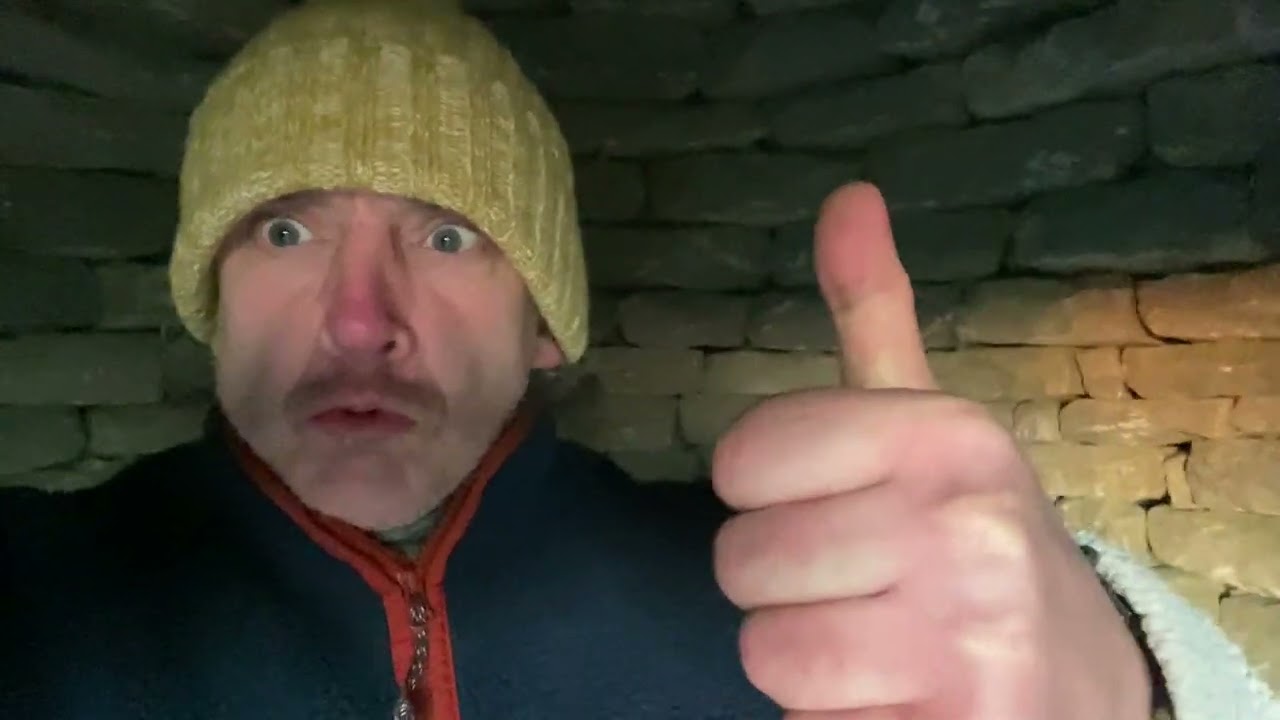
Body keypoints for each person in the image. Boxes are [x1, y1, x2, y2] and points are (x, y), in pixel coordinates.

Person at [1, 0, 1275, 718]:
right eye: (284, 229)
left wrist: (1134, 687)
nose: (356, 320)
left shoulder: (806, 606)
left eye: (446, 235)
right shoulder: (37, 597)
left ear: (546, 318)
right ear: (208, 296)